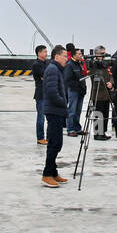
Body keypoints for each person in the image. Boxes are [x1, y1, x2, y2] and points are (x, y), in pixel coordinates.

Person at [41, 45, 70, 187]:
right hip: (54, 111)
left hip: (56, 110)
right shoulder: (53, 69)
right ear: (56, 56)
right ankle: (47, 174)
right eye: (64, 56)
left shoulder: (57, 69)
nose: (66, 59)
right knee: (55, 143)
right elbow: (52, 92)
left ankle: (53, 172)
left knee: (56, 142)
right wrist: (63, 102)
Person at [64, 44, 87, 136]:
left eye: (81, 54)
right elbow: (68, 79)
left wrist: (83, 87)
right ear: (74, 55)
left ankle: (77, 128)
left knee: (78, 111)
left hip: (81, 90)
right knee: (72, 110)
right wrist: (77, 85)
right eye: (79, 54)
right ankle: (70, 129)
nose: (81, 55)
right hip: (74, 90)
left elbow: (83, 75)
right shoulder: (69, 65)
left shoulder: (80, 64)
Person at [31, 44, 48, 145]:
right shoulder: (36, 64)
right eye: (45, 52)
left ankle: (48, 137)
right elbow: (45, 76)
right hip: (41, 94)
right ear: (39, 53)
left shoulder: (47, 63)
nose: (46, 53)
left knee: (48, 117)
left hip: (48, 93)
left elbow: (48, 76)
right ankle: (40, 137)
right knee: (41, 117)